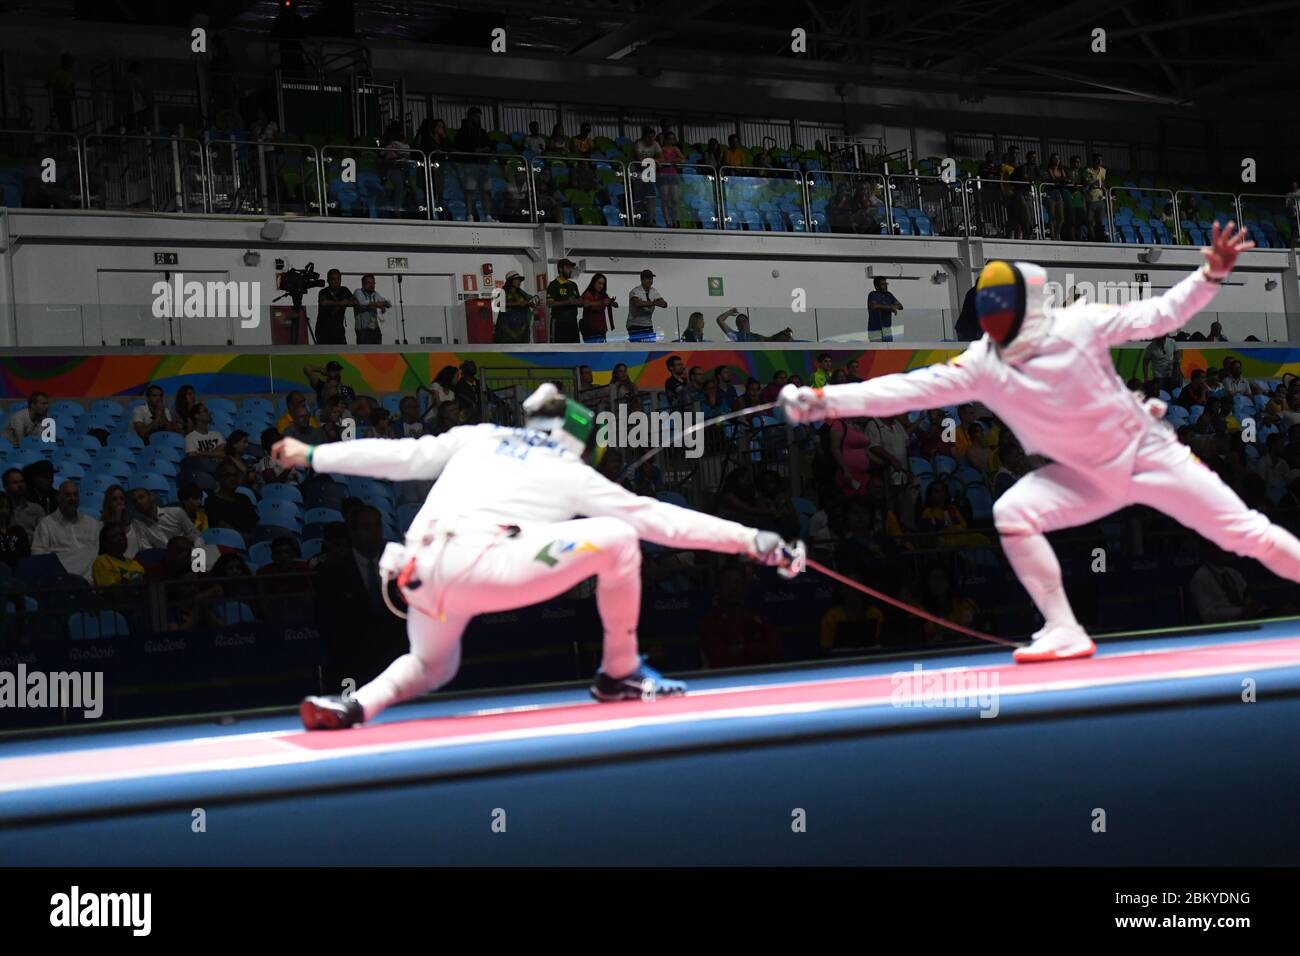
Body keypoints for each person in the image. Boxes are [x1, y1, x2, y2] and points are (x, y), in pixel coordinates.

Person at [779, 222, 1297, 663]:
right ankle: (1064, 628)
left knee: (1245, 534)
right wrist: (823, 402)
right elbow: (899, 391)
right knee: (1014, 512)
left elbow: (1162, 315)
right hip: (1083, 476)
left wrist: (1212, 274)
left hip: (1147, 455)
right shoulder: (983, 363)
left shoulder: (1080, 324)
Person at [279, 383, 803, 729]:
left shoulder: (479, 436)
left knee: (431, 664)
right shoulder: (570, 470)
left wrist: (313, 454)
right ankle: (619, 670)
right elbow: (661, 520)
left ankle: (354, 705)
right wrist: (753, 540)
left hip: (416, 571)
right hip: (484, 565)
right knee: (620, 538)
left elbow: (402, 456)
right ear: (575, 441)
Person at [546, 258, 583, 344]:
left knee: (575, 349)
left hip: (573, 323)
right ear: (560, 269)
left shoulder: (573, 285)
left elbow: (580, 301)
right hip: (559, 323)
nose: (570, 270)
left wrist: (579, 302)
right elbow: (549, 303)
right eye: (568, 267)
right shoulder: (554, 285)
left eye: (571, 268)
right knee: (559, 350)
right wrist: (567, 302)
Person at [352, 274, 390, 345]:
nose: (371, 285)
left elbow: (386, 302)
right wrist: (377, 304)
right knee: (364, 353)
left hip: (374, 328)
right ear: (363, 284)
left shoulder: (375, 294)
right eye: (369, 283)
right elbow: (361, 302)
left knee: (377, 352)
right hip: (363, 330)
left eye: (373, 283)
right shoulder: (358, 292)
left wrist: (384, 303)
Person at [580, 273, 617, 343]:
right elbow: (585, 304)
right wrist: (602, 302)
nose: (601, 286)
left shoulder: (603, 294)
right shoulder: (588, 293)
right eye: (599, 283)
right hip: (590, 328)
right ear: (594, 282)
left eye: (603, 284)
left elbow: (612, 304)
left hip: (601, 328)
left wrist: (611, 302)